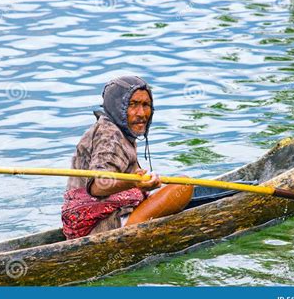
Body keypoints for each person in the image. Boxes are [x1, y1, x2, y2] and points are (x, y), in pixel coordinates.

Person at [61, 75, 194, 240]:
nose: (142, 114)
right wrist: (134, 183)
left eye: (146, 105)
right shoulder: (110, 135)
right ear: (117, 107)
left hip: (85, 224)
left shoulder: (117, 129)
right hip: (102, 226)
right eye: (133, 105)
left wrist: (139, 182)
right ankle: (130, 232)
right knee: (184, 185)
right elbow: (98, 185)